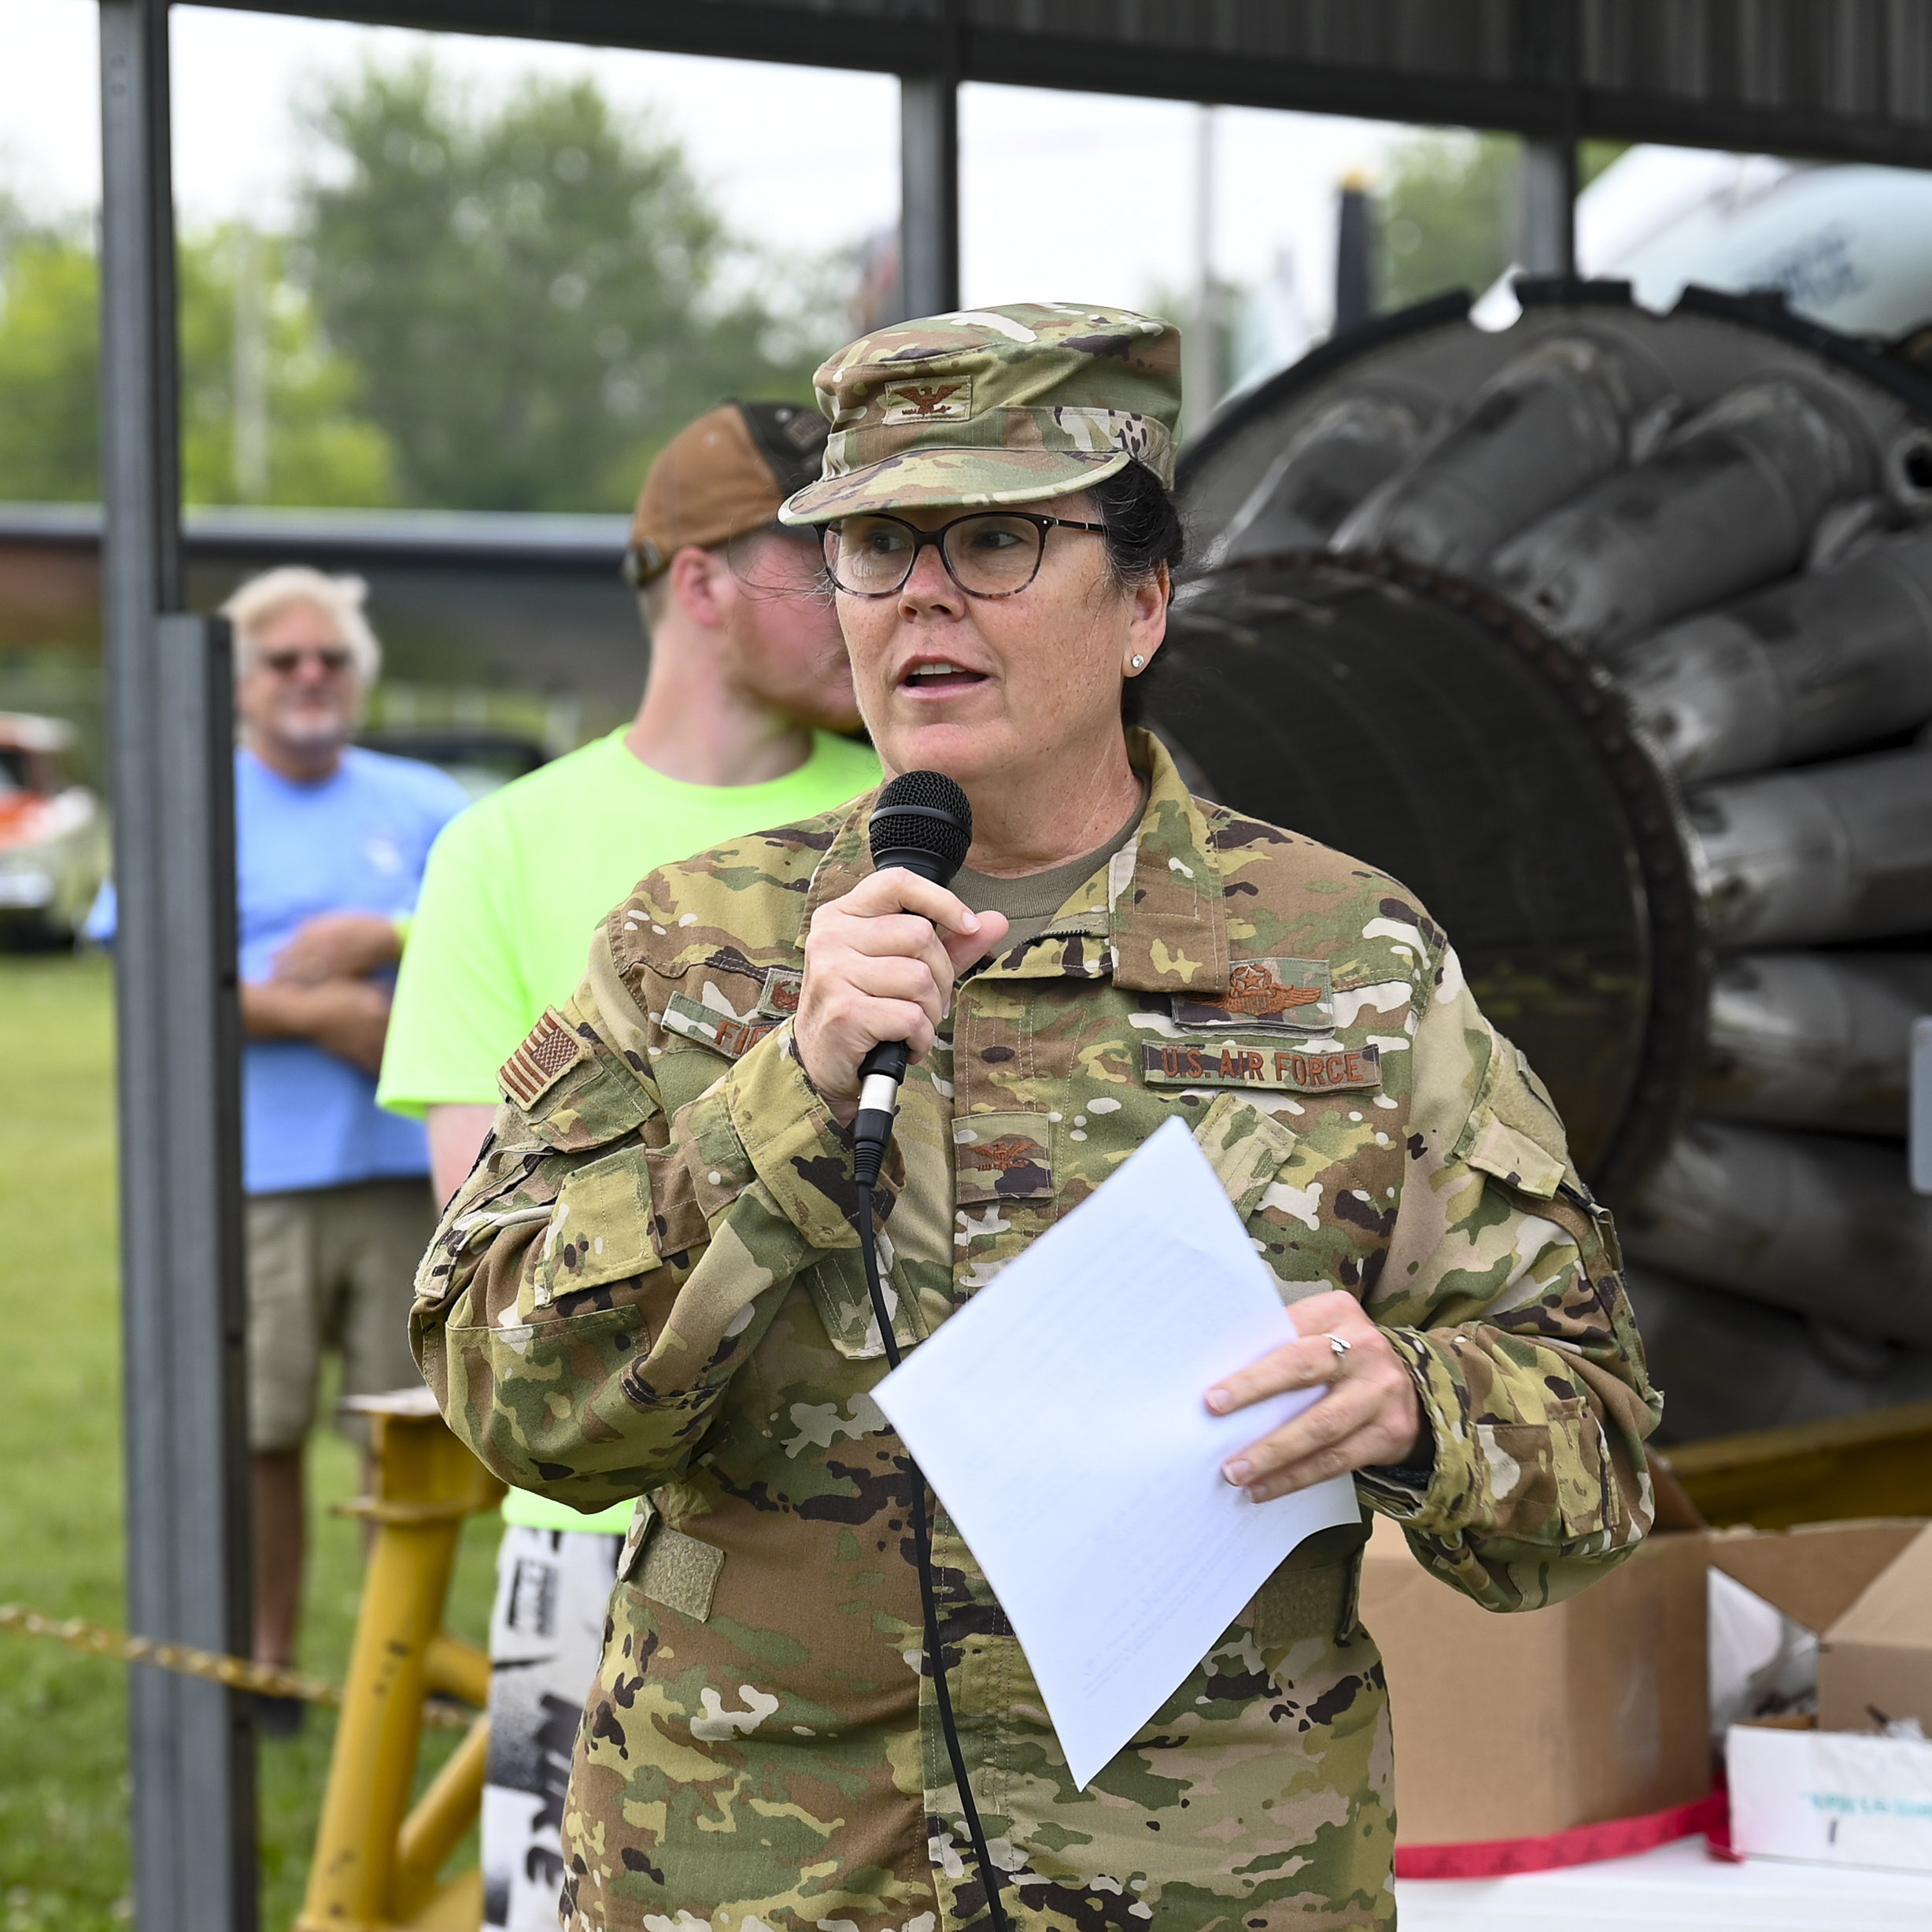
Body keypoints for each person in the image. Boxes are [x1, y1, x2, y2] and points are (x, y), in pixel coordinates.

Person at [411, 306, 1660, 1931]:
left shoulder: (1346, 961)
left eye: (995, 539)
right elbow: (515, 1399)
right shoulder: (691, 949)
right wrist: (774, 1109)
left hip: (1207, 1882)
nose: (921, 594)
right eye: (872, 547)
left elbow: (1597, 1455)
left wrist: (1413, 1407)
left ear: (1144, 601)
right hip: (756, 1881)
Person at [377, 400, 878, 1930]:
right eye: (826, 557)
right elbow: (496, 1229)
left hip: (858, 1536)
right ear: (702, 580)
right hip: (588, 1537)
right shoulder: (506, 847)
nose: (872, 597)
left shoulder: (923, 819)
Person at [94, 566, 469, 1727]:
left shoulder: (426, 801)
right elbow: (142, 963)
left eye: (332, 660)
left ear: (361, 677)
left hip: (408, 1180)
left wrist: (386, 975)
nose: (312, 678)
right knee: (259, 1434)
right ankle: (266, 1668)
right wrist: (311, 1012)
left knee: (408, 1432)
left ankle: (396, 1666)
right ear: (241, 687)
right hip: (255, 1181)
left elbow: (483, 951)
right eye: (284, 661)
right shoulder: (190, 798)